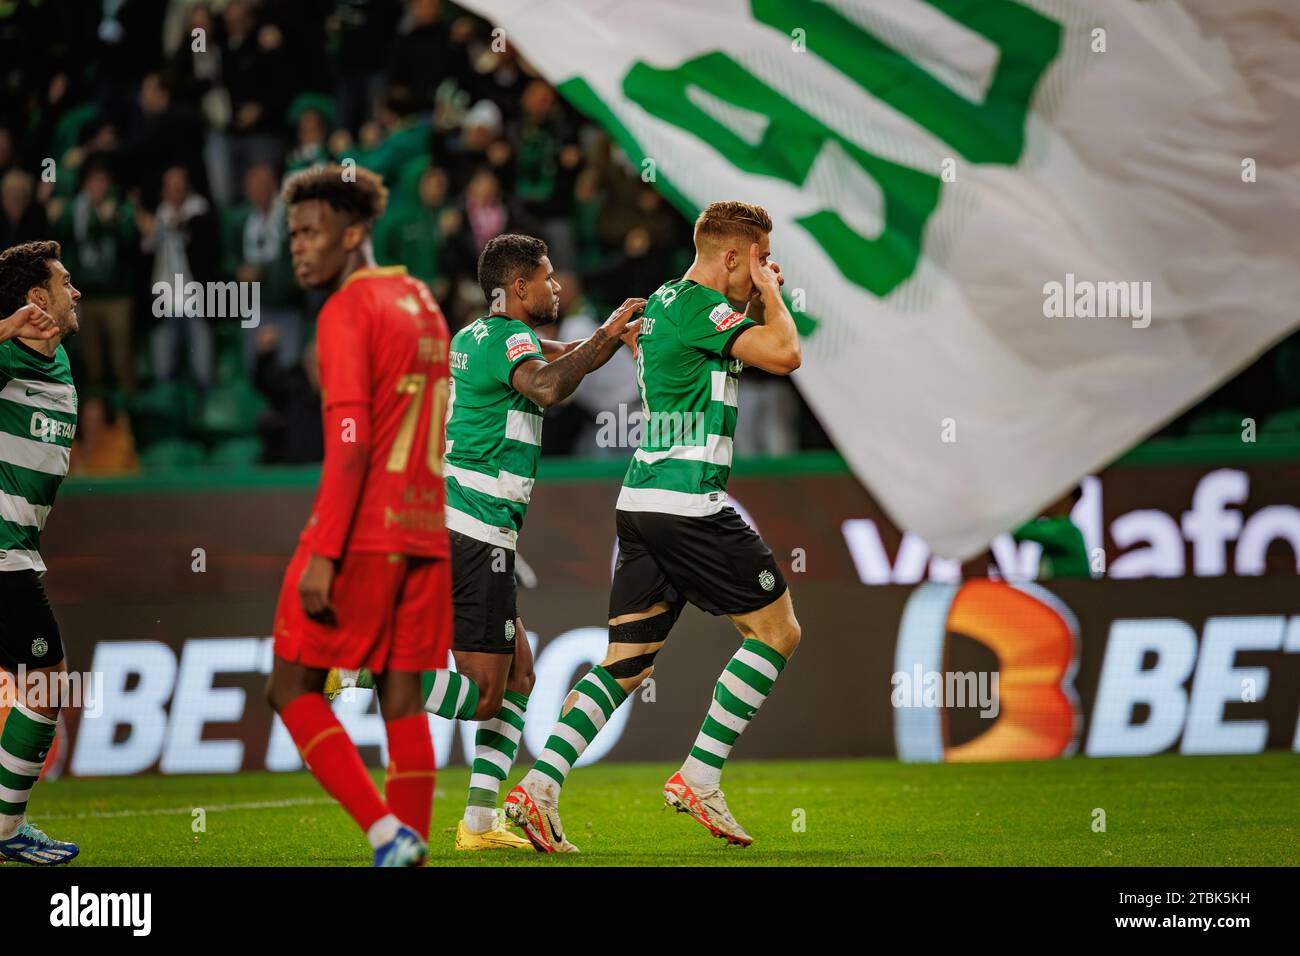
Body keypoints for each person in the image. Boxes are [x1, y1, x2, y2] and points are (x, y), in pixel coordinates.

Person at [505, 201, 803, 851]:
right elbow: (785, 354)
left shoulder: (665, 301)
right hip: (691, 504)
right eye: (754, 259)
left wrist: (750, 299)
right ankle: (700, 774)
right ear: (730, 256)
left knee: (625, 665)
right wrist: (773, 295)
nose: (760, 272)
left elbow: (695, 352)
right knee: (777, 631)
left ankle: (540, 786)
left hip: (639, 503)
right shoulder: (701, 309)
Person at [329, 234, 642, 851]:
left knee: (519, 675)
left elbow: (558, 353)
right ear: (519, 287)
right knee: (486, 693)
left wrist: (610, 335)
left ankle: (478, 823)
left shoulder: (475, 337)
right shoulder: (509, 344)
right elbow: (549, 385)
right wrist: (606, 337)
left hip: (452, 525)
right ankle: (365, 668)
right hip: (476, 532)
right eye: (548, 278)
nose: (557, 288)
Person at [264, 164, 450, 867]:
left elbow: (350, 444)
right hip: (425, 531)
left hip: (365, 532)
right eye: (293, 235)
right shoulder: (422, 298)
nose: (299, 247)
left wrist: (325, 550)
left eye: (312, 233)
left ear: (355, 232)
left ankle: (385, 833)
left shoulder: (346, 310)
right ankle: (410, 851)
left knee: (290, 688)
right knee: (401, 698)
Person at [0, 241, 82, 864]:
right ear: (37, 299)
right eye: (64, 283)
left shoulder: (53, 360)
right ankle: (5, 831)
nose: (75, 291)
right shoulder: (6, 352)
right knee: (48, 683)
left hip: (19, 549)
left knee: (42, 682)